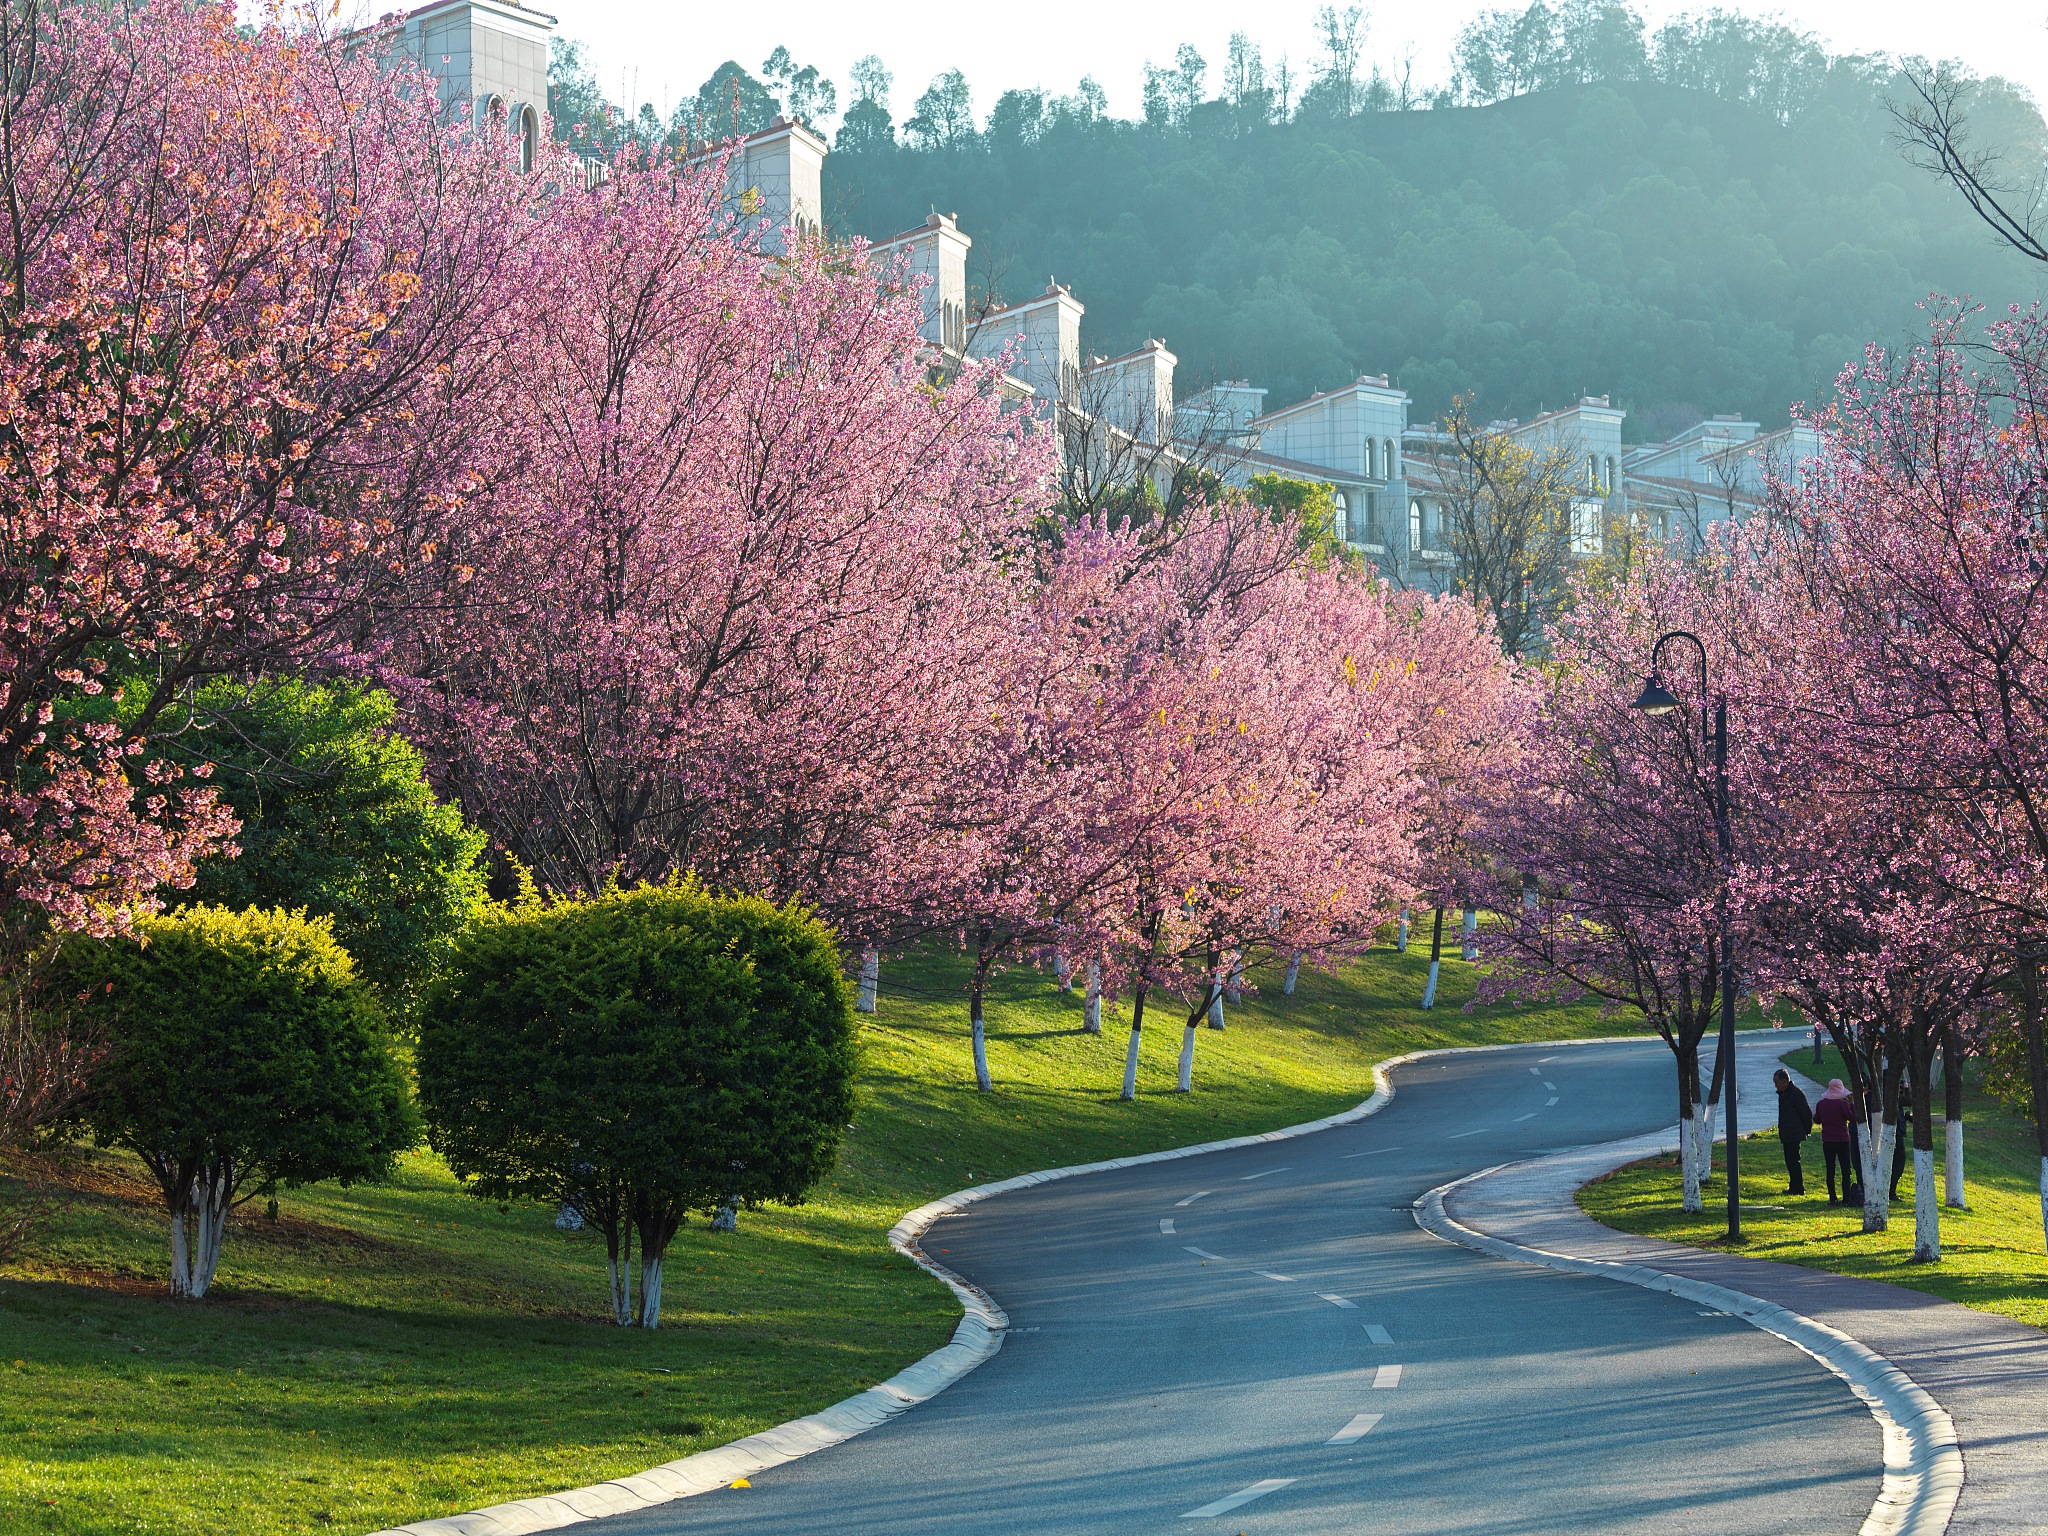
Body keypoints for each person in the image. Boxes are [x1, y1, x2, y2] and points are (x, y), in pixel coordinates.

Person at [1814, 1078, 1859, 1205]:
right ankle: (1846, 1198)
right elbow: (1852, 1118)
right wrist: (1852, 1104)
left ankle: (1832, 1198)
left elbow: (1817, 1120)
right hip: (1842, 1140)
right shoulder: (1843, 1105)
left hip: (1827, 1140)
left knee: (1830, 1169)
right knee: (1845, 1170)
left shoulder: (1821, 1104)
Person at [1774, 1069, 1812, 1195]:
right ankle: (1794, 1186)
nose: (1776, 1086)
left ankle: (1798, 1187)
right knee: (1790, 1161)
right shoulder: (1784, 1094)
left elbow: (1806, 1112)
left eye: (1777, 1083)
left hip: (1794, 1133)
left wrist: (1807, 1130)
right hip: (1787, 1133)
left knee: (1794, 1161)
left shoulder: (1795, 1093)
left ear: (1784, 1081)